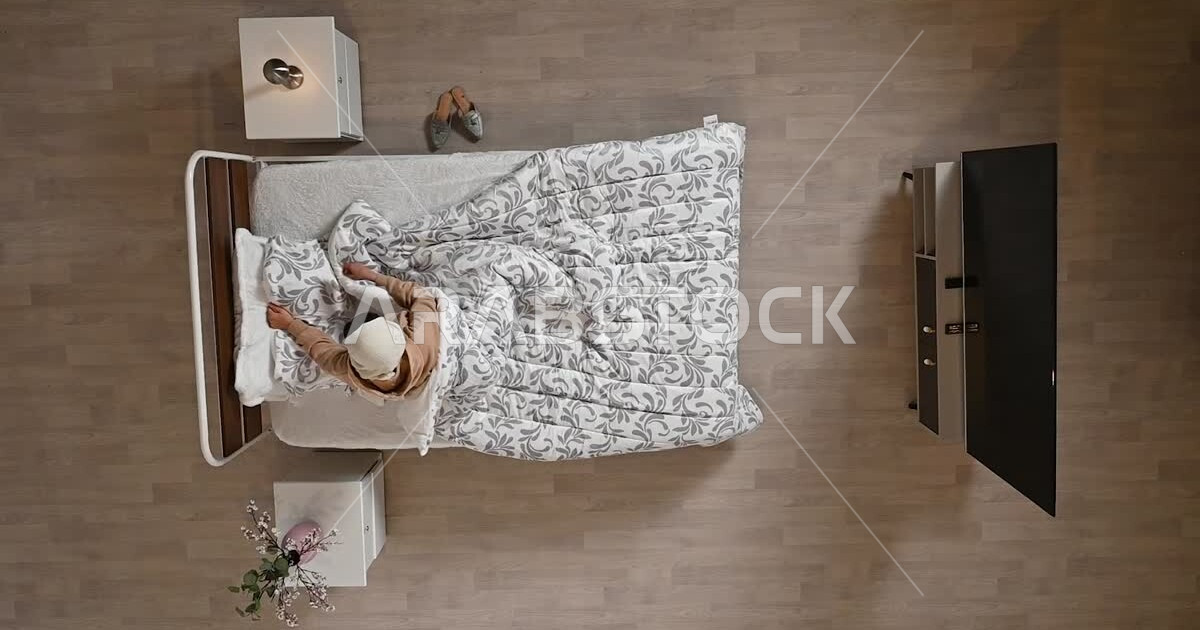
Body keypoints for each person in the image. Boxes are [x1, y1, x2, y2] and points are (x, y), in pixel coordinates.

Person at [266, 262, 440, 399]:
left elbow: (323, 351)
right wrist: (371, 276)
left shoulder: (357, 375)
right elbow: (423, 296)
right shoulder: (422, 333)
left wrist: (289, 324)